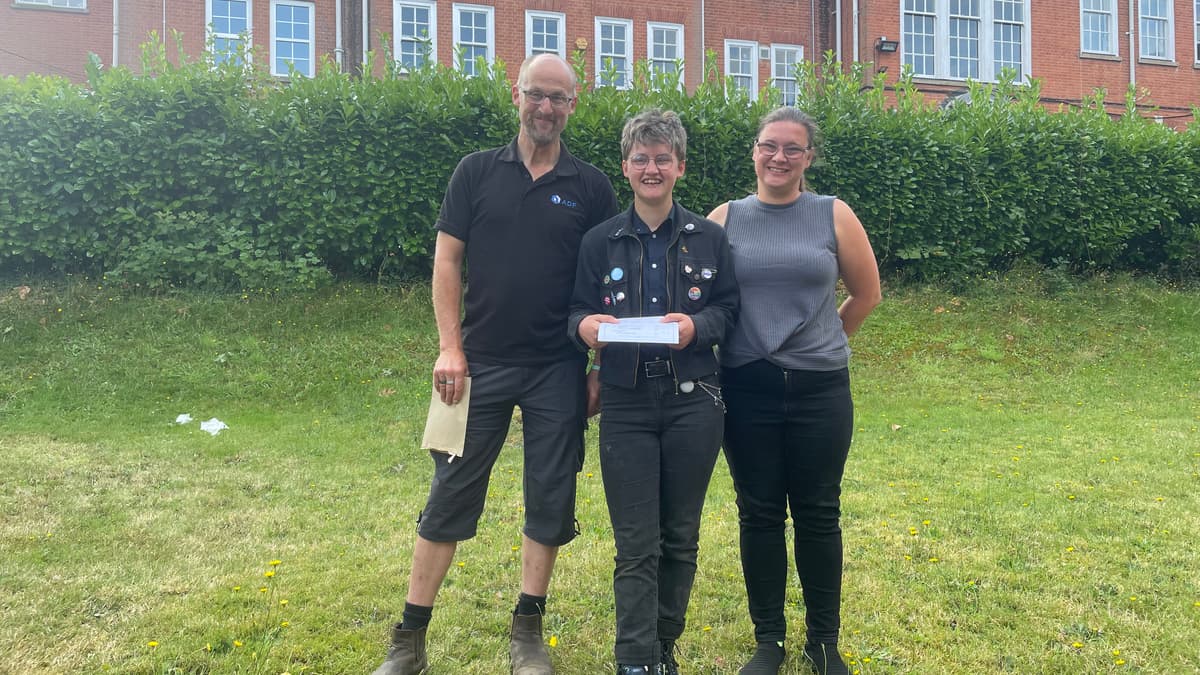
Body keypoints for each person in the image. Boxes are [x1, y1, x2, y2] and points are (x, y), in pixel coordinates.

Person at [372, 53, 618, 675]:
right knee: (450, 492)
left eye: (558, 98)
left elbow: (606, 284)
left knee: (550, 496)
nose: (546, 107)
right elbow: (447, 261)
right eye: (537, 94)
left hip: (559, 367)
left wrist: (598, 367)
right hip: (476, 364)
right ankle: (408, 640)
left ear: (573, 105)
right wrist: (449, 346)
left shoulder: (591, 187)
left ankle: (527, 633)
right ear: (516, 95)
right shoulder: (475, 172)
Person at [707, 107, 881, 675]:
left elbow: (866, 294)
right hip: (746, 387)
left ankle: (824, 641)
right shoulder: (725, 219)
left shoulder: (833, 214)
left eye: (792, 148)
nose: (778, 157)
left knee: (818, 512)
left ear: (809, 158)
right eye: (769, 146)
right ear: (754, 152)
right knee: (758, 513)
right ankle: (769, 641)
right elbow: (702, 301)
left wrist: (824, 340)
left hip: (819, 389)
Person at [568, 109, 739, 675]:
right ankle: (634, 660)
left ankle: (664, 646)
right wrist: (585, 327)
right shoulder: (599, 242)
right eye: (641, 158)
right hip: (627, 401)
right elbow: (573, 311)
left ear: (680, 167)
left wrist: (697, 327)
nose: (652, 168)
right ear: (625, 167)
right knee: (636, 541)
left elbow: (729, 309)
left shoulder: (711, 238)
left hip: (695, 401)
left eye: (663, 158)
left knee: (680, 536)